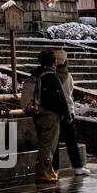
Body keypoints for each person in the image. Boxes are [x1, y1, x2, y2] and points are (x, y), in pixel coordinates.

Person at [27, 48, 71, 184]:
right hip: (50, 114)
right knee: (48, 145)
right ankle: (42, 172)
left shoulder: (36, 74)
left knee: (44, 143)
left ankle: (49, 170)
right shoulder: (51, 76)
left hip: (37, 113)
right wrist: (67, 114)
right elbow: (60, 98)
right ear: (54, 63)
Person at [52, 48, 90, 176]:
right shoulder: (68, 75)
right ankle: (78, 166)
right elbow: (70, 92)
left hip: (55, 111)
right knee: (71, 140)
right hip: (68, 110)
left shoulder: (51, 76)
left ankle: (54, 168)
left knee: (54, 142)